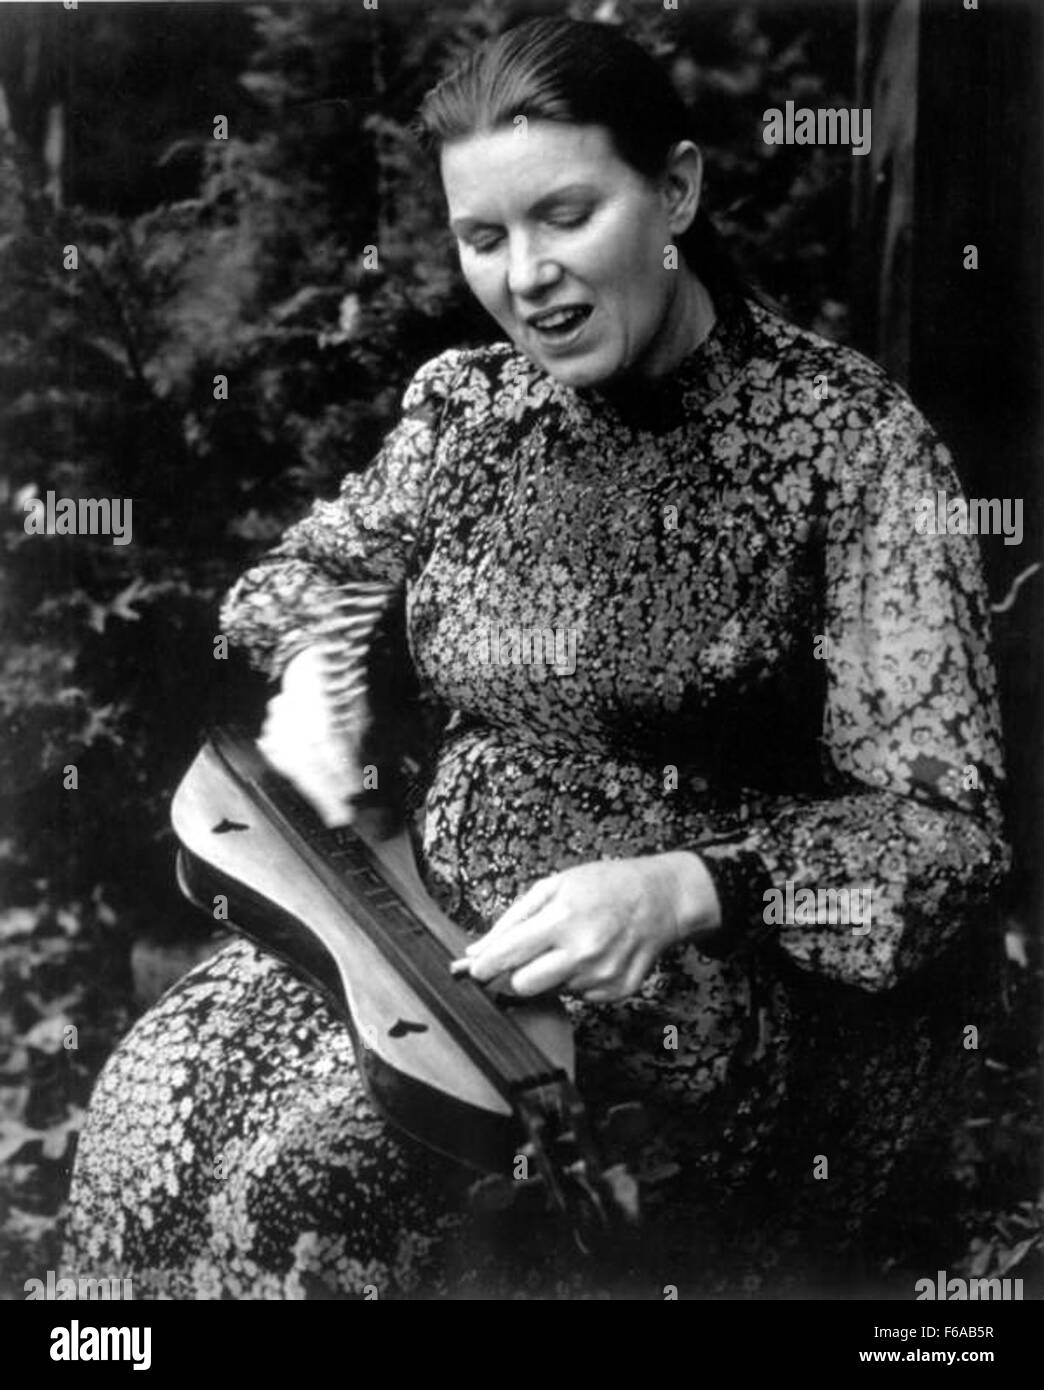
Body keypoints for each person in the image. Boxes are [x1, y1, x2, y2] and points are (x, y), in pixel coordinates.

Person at [65, 17, 1010, 1298]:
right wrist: (319, 657)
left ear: (675, 189)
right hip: (422, 938)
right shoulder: (473, 407)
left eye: (566, 216)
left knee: (309, 1185)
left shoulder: (847, 445)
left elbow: (950, 843)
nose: (527, 279)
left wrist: (687, 886)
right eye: (483, 238)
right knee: (147, 1098)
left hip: (701, 1001)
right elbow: (305, 573)